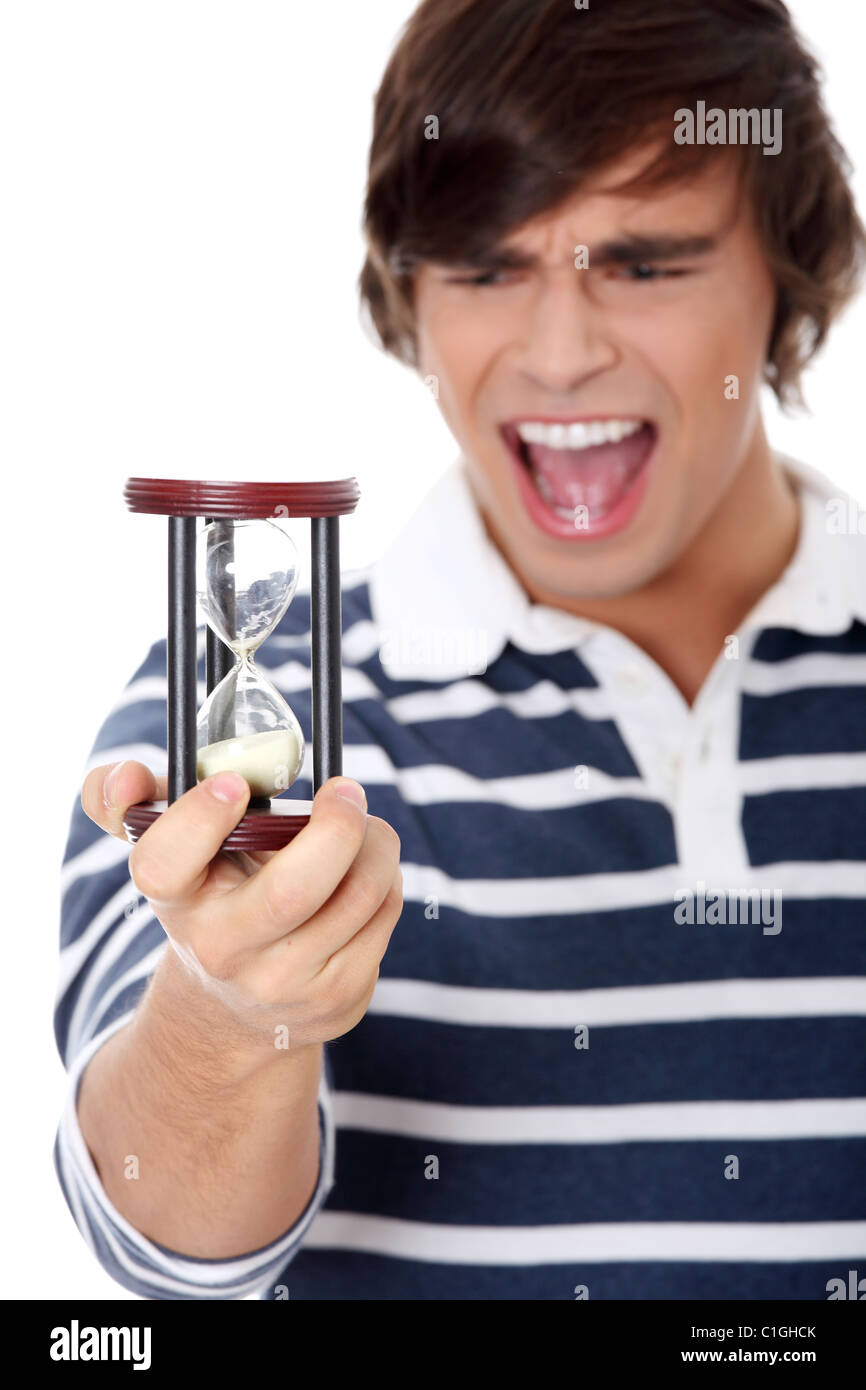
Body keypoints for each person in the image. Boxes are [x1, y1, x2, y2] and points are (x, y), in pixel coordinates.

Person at [55, 0, 866, 1300]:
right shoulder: (240, 708)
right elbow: (161, 1244)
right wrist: (231, 1004)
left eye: (645, 264)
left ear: (789, 269)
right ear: (407, 298)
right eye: (488, 270)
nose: (558, 355)